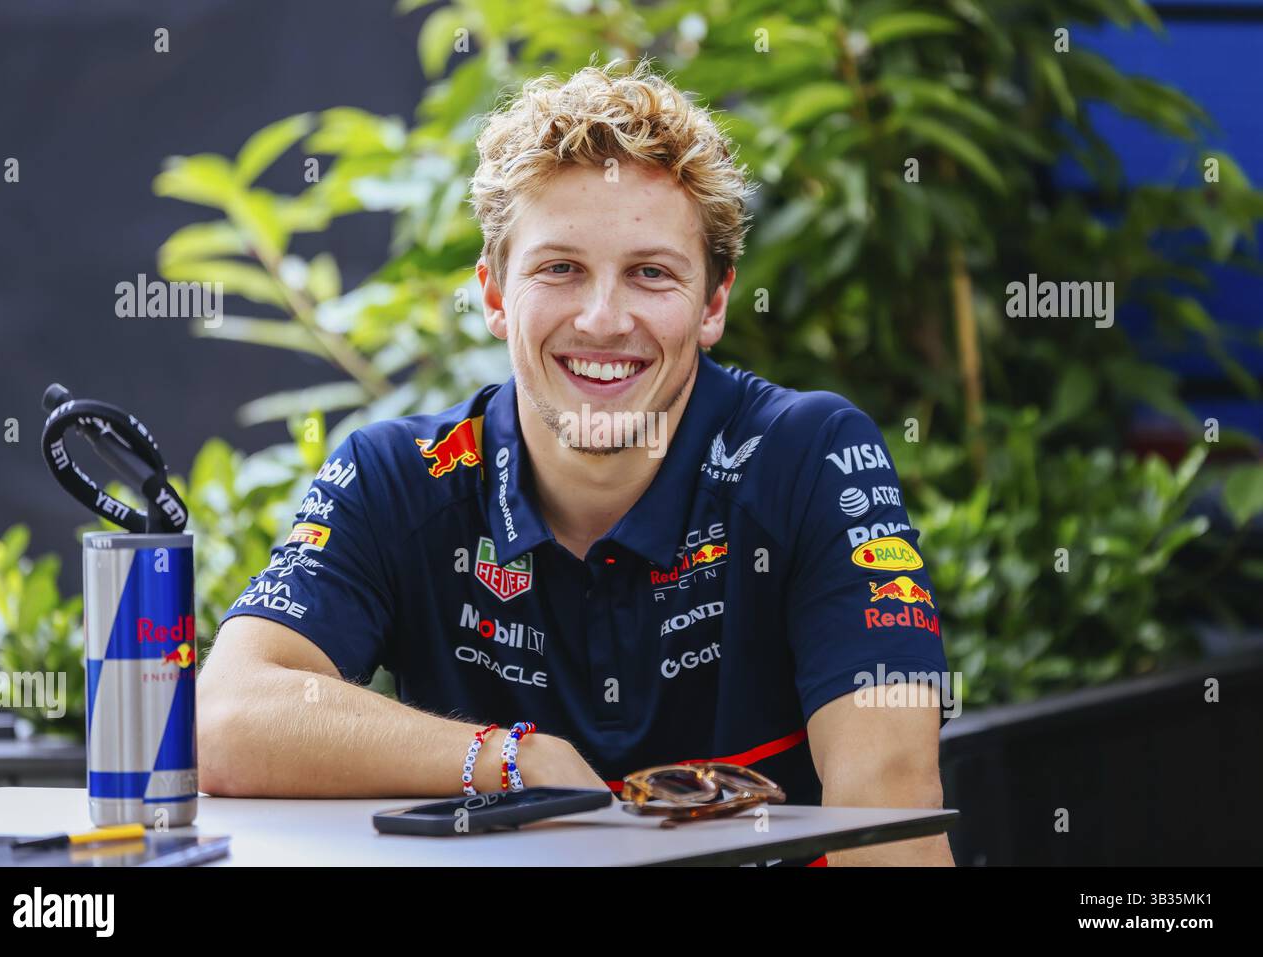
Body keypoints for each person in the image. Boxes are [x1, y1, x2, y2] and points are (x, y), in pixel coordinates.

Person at [199, 58, 954, 866]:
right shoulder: (399, 474)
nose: (603, 319)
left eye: (650, 273)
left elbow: (890, 809)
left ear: (714, 303)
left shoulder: (809, 455)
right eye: (560, 268)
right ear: (494, 295)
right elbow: (225, 718)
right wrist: (512, 758)